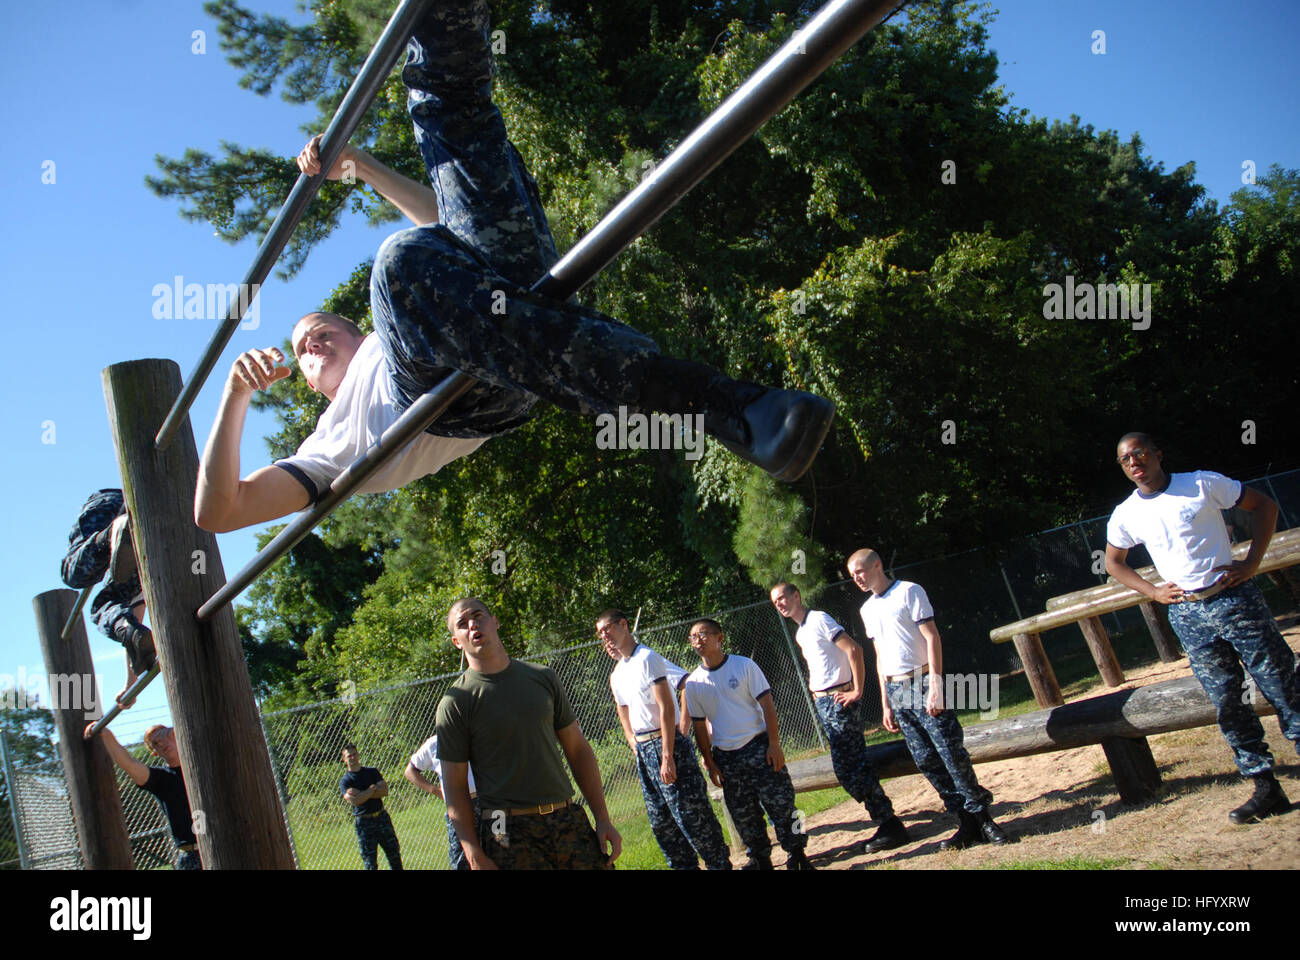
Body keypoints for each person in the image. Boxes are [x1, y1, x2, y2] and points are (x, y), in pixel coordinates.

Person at [193, 1, 834, 536]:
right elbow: (219, 512)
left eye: (324, 328)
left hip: (496, 305)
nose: (312, 340)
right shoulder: (325, 446)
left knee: (450, 111)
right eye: (304, 350)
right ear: (309, 384)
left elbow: (439, 219)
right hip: (461, 396)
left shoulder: (398, 325)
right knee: (400, 260)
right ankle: (718, 404)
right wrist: (234, 396)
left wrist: (360, 166)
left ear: (363, 336)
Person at [1105, 432, 1300, 824]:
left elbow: (1264, 507)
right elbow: (1114, 562)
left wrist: (1251, 564)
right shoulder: (1126, 514)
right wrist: (1153, 592)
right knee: (1228, 700)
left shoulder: (1200, 484)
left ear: (1158, 454)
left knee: (1280, 681)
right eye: (1125, 460)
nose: (1134, 463)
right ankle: (1265, 786)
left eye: (1139, 453)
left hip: (1234, 599)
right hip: (1188, 614)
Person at [435, 597, 621, 869]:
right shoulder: (456, 702)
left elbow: (577, 750)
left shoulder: (543, 677)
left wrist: (602, 818)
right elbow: (454, 787)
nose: (473, 624)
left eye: (478, 616)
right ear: (456, 641)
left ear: (494, 621)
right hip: (504, 829)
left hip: (566, 817)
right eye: (462, 624)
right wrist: (473, 853)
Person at [846, 550, 1009, 849]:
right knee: (926, 760)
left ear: (877, 565)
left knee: (951, 752)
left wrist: (936, 685)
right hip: (897, 690)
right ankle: (966, 823)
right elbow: (879, 655)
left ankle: (985, 819)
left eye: (860, 571)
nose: (857, 577)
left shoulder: (909, 591)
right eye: (852, 574)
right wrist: (885, 701)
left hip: (922, 682)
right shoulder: (867, 609)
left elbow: (932, 637)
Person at [769, 582, 906, 853]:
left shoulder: (818, 619)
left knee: (852, 768)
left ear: (797, 595)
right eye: (775, 602)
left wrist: (856, 690)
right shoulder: (801, 631)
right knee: (848, 768)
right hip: (825, 704)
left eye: (783, 598)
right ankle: (886, 821)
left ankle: (890, 825)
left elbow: (853, 650)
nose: (780, 604)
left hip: (839, 701)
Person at [597, 608, 731, 870]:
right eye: (600, 633)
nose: (604, 636)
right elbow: (622, 709)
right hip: (644, 749)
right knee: (662, 822)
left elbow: (666, 706)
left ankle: (719, 864)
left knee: (692, 815)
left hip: (666, 745)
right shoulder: (617, 673)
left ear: (623, 625)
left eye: (608, 629)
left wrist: (668, 753)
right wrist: (633, 742)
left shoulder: (648, 658)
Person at [683, 618, 813, 870]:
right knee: (744, 814)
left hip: (758, 748)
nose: (698, 641)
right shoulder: (694, 684)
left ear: (719, 638)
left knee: (783, 805)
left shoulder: (744, 666)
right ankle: (760, 858)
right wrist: (710, 762)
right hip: (727, 758)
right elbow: (699, 727)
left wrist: (774, 743)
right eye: (693, 637)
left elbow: (767, 705)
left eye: (703, 635)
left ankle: (797, 854)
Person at [61, 489, 155, 706]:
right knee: (80, 580)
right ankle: (112, 532)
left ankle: (111, 533)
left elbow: (135, 626)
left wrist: (131, 685)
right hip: (137, 508)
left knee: (102, 599)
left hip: (127, 507)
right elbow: (136, 612)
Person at [84, 723, 201, 870]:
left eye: (166, 736)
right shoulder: (161, 779)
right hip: (192, 853)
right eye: (155, 743)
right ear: (154, 753)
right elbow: (130, 764)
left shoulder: (203, 764)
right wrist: (106, 733)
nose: (162, 742)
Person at [404, 733, 478, 870]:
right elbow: (410, 771)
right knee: (461, 858)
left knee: (499, 845)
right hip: (457, 807)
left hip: (485, 802)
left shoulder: (475, 735)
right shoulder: (434, 743)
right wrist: (436, 791)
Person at [340, 744, 403, 870]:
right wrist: (372, 789)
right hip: (364, 823)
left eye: (354, 754)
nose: (352, 757)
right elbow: (355, 801)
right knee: (370, 863)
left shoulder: (372, 772)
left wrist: (363, 793)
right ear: (344, 759)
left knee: (394, 856)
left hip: (381, 817)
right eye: (349, 756)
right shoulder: (345, 781)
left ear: (358, 754)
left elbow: (385, 791)